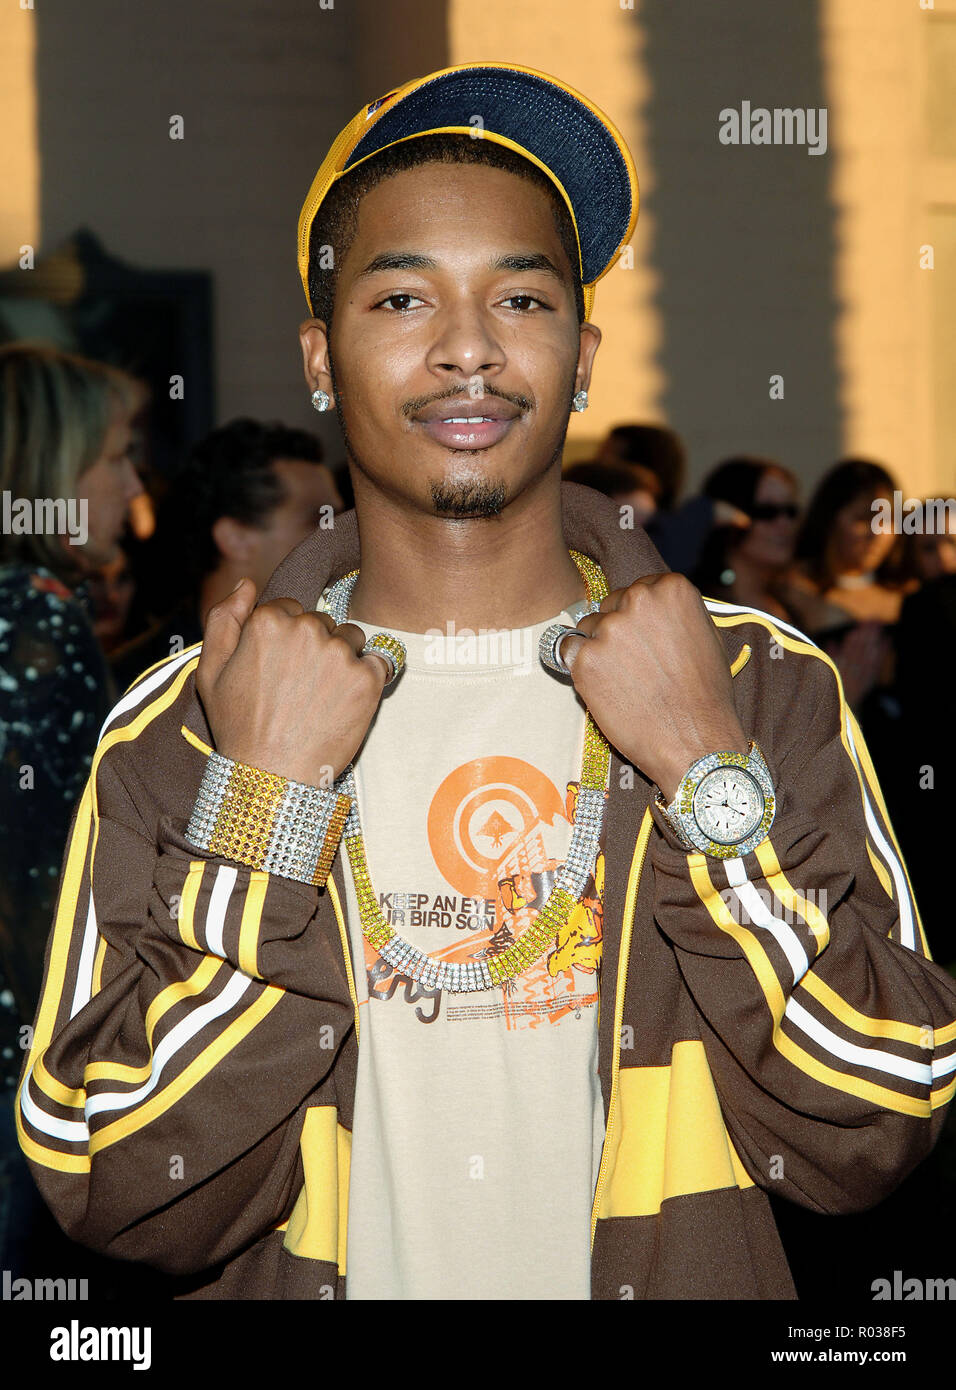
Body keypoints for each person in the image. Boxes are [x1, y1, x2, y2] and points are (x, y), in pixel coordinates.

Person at [15, 63, 956, 1303]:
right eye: (401, 297)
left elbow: (877, 1118)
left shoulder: (753, 677)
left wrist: (704, 772)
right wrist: (265, 803)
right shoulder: (188, 718)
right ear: (318, 354)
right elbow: (110, 1176)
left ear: (580, 356)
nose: (467, 348)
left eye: (520, 297)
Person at [0, 341, 144, 1273]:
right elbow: (57, 864)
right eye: (116, 455)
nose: (133, 485)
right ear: (53, 474)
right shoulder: (39, 616)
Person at [108, 418, 343, 693]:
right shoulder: (136, 687)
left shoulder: (337, 665)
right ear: (235, 538)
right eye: (318, 519)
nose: (340, 536)